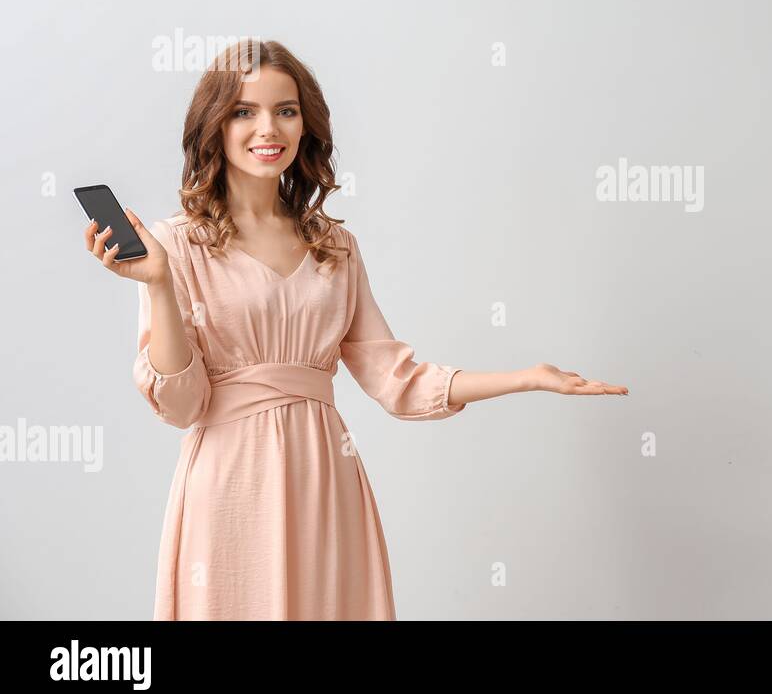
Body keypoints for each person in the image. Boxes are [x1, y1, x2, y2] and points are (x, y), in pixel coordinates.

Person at [83, 39, 628, 620]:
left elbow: (400, 382)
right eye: (244, 111)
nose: (268, 127)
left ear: (305, 123)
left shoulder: (334, 247)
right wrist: (159, 285)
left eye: (285, 110)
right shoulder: (175, 247)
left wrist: (527, 377)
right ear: (214, 125)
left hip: (326, 481)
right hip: (231, 486)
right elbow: (182, 404)